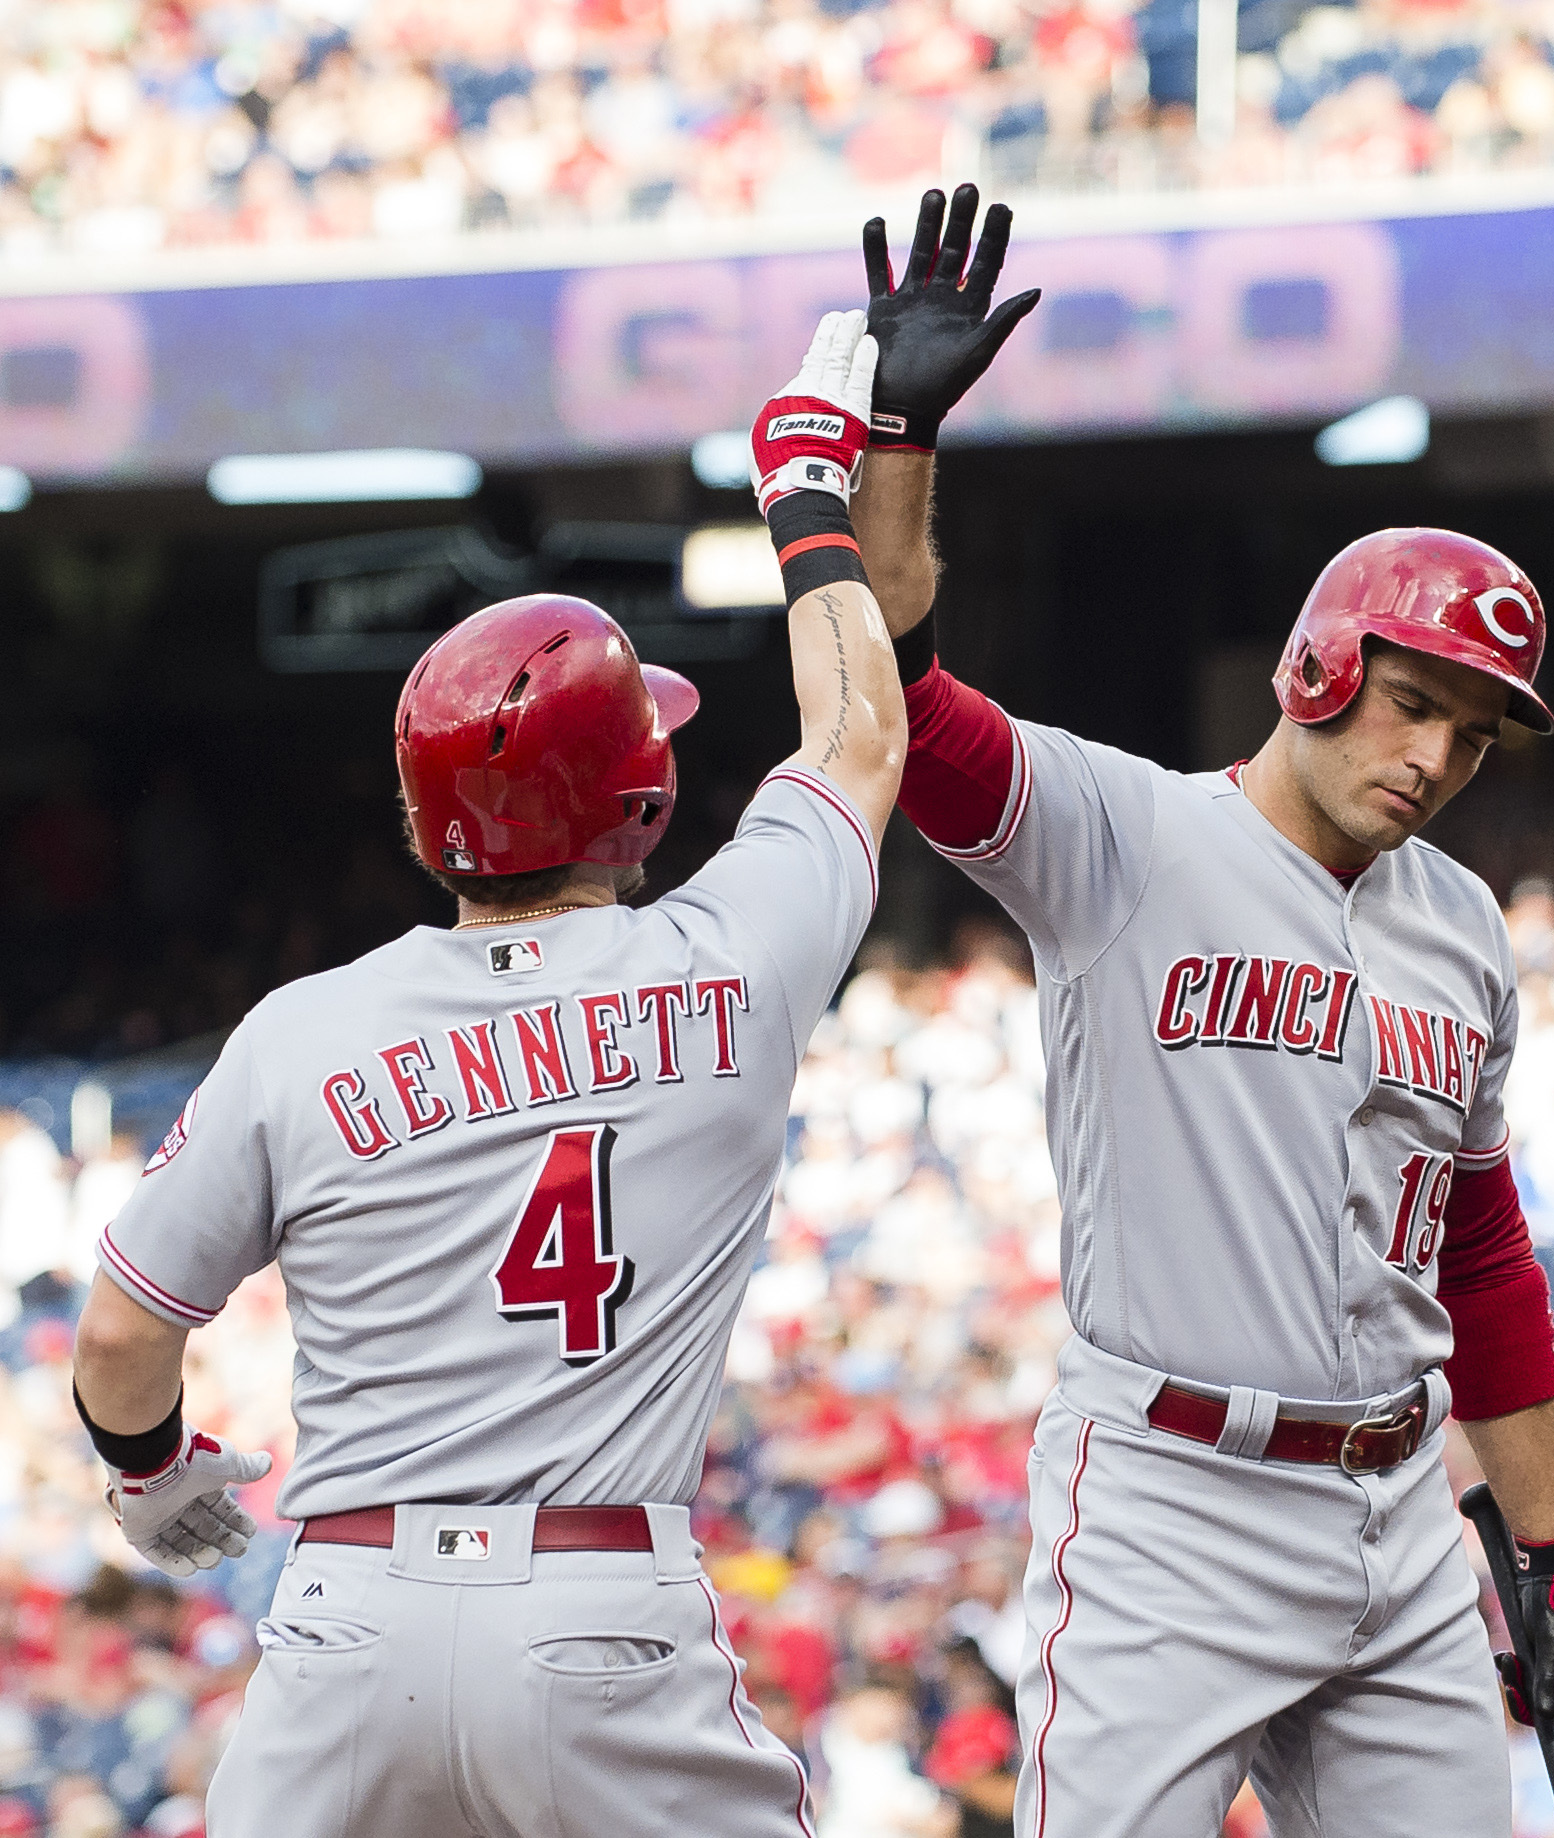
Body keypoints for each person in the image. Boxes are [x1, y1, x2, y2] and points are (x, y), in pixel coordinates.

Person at [68, 305, 930, 1837]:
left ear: (420, 820)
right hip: (602, 1611)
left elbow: (129, 1329)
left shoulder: (301, 1027)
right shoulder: (728, 961)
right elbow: (863, 736)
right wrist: (807, 482)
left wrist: (148, 1473)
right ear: (644, 801)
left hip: (349, 1626)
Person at [846, 186, 1554, 1835]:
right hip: (1172, 1500)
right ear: (1318, 668)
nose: (1434, 759)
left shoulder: (1460, 924)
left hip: (1399, 1504)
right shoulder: (1125, 833)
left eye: (1474, 735)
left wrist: (1545, 1547)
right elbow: (900, 701)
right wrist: (895, 441)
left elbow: (1477, 1242)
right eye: (1412, 705)